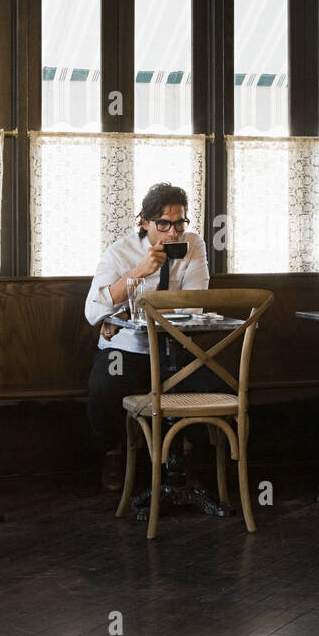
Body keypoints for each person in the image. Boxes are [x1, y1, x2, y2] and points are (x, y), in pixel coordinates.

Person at [85, 183, 210, 493]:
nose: (172, 233)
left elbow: (194, 304)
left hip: (176, 345)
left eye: (179, 222)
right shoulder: (120, 252)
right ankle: (114, 454)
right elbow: (92, 310)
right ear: (144, 222)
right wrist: (139, 272)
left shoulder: (192, 245)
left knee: (215, 384)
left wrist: (127, 314)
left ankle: (183, 458)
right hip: (129, 349)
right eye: (164, 224)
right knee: (103, 388)